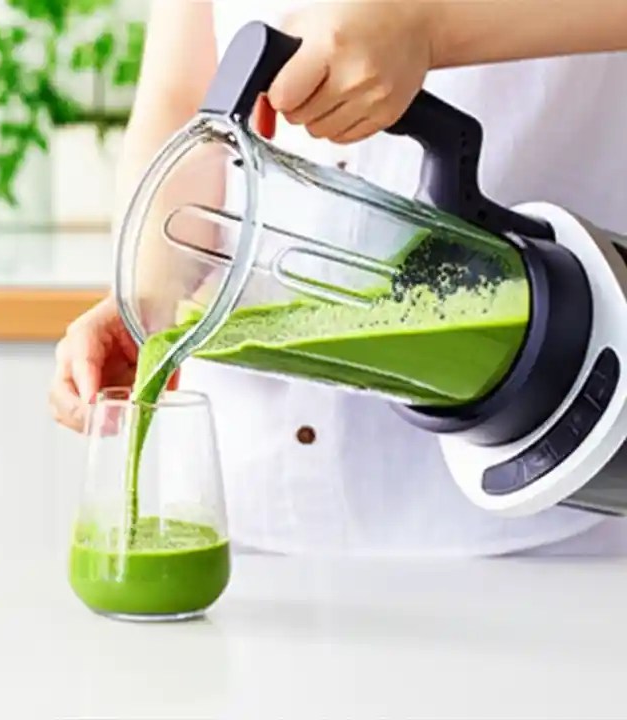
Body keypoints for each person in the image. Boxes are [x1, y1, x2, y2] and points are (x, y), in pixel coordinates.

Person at [48, 0, 627, 556]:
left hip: (550, 492)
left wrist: (429, 25)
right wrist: (150, 298)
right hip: (238, 515)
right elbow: (186, 96)